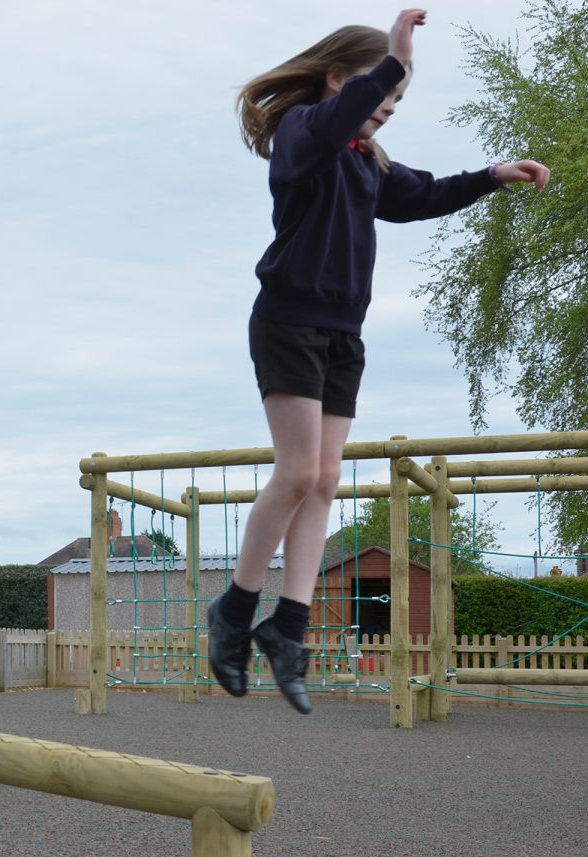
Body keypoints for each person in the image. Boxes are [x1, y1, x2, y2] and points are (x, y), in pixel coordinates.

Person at [208, 9, 550, 713]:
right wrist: (392, 57)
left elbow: (423, 195)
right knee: (296, 472)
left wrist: (493, 175)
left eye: (399, 97)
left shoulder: (368, 162)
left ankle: (288, 628)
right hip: (289, 322)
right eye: (384, 91)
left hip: (344, 336)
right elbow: (330, 126)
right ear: (338, 79)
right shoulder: (301, 136)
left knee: (325, 480)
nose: (390, 105)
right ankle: (234, 610)